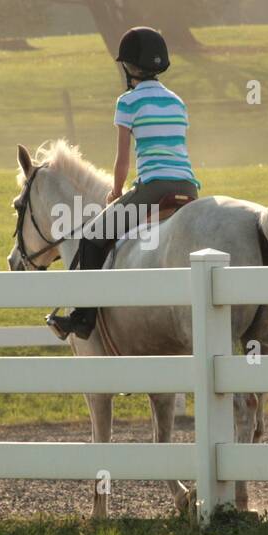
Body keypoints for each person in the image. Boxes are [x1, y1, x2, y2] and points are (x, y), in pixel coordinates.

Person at [46, 26, 200, 340]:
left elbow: (123, 160)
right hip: (188, 187)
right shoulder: (177, 102)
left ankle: (83, 318)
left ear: (128, 66)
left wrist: (116, 193)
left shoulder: (127, 102)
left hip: (155, 188)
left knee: (91, 238)